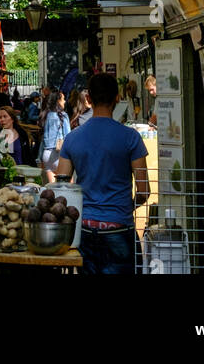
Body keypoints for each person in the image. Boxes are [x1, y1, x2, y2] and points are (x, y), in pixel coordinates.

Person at [56, 72, 149, 275]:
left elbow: (60, 189)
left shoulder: (72, 138)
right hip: (120, 227)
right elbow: (144, 191)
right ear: (117, 97)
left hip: (85, 230)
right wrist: (126, 206)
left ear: (88, 99)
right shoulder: (131, 138)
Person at [38, 90, 71, 181]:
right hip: (59, 153)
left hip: (46, 154)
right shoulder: (63, 115)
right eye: (63, 99)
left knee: (52, 191)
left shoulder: (47, 115)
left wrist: (40, 158)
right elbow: (68, 137)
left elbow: (42, 140)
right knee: (67, 188)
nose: (64, 101)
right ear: (58, 101)